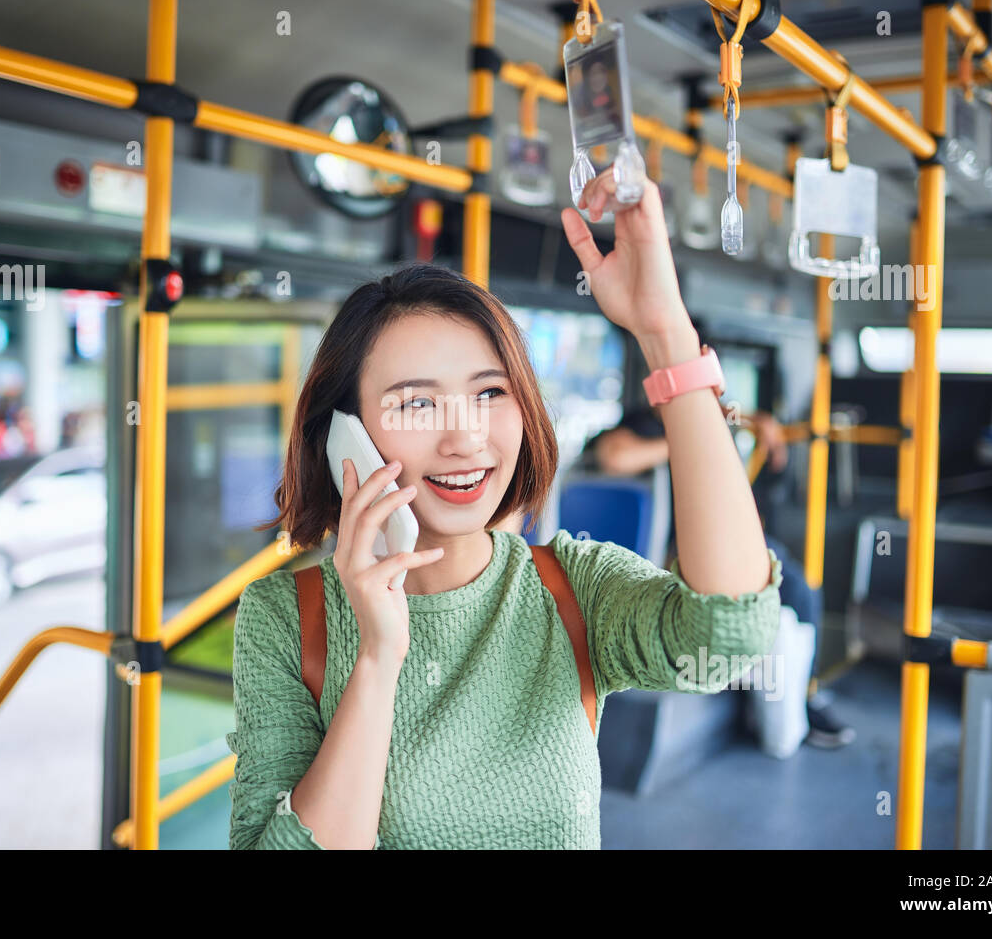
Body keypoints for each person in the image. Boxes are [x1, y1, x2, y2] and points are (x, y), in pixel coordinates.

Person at [226, 167, 782, 849]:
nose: (465, 436)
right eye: (417, 401)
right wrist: (377, 654)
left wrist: (666, 333)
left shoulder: (571, 585)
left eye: (489, 392)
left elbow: (727, 638)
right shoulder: (287, 617)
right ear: (346, 434)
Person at [583, 397, 857, 750]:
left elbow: (730, 420)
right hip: (677, 548)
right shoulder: (648, 424)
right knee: (791, 588)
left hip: (718, 536)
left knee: (800, 588)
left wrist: (756, 421)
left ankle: (802, 692)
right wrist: (688, 439)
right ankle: (793, 699)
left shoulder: (710, 419)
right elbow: (614, 457)